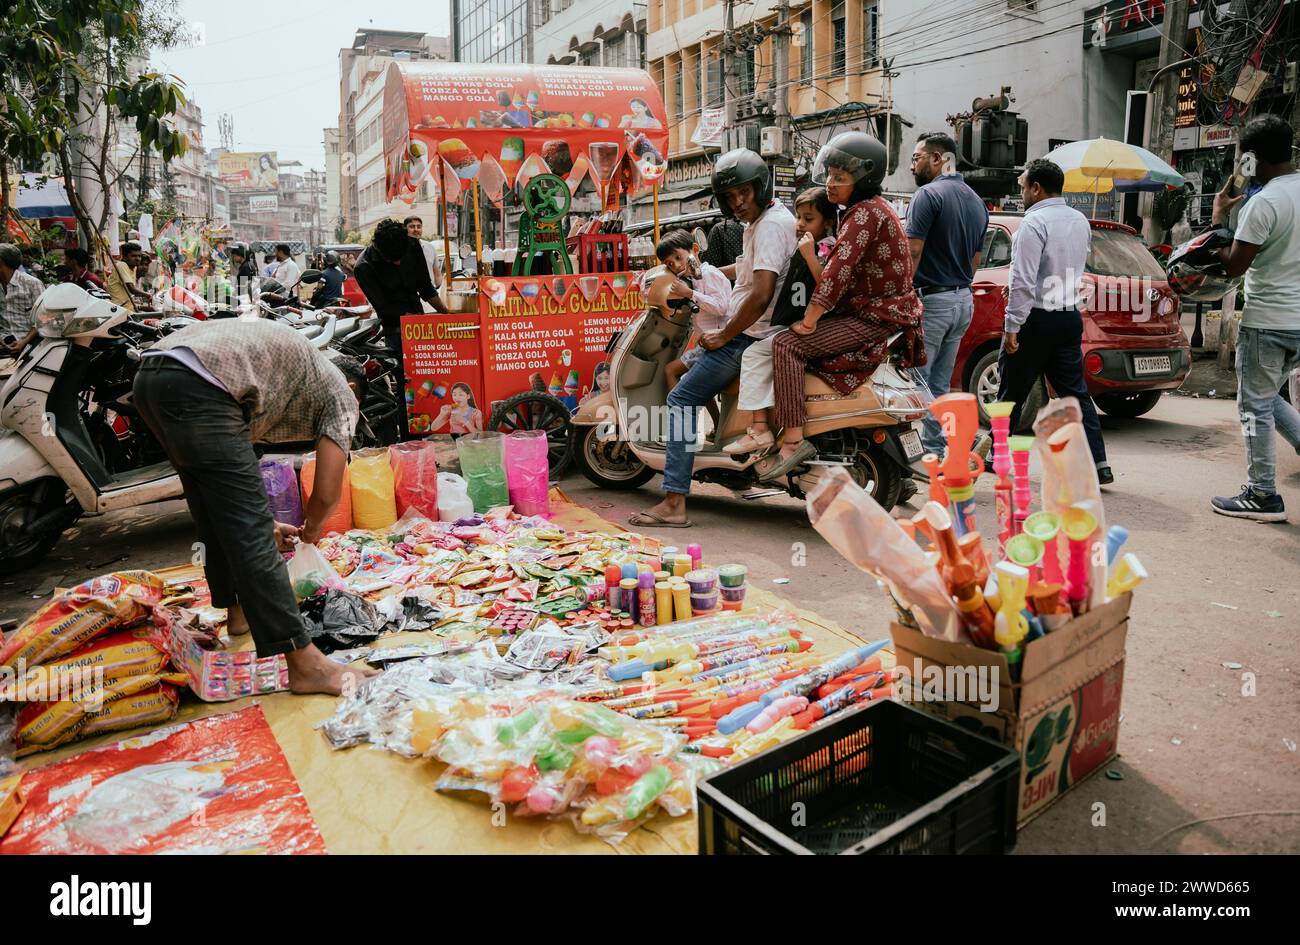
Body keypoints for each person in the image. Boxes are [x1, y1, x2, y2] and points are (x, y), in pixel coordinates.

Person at [132, 317, 373, 695]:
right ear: (354, 389)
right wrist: (310, 532)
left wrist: (265, 522)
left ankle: (238, 612)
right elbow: (327, 491)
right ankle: (306, 665)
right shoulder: (341, 395)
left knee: (211, 510)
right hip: (202, 384)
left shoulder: (294, 378)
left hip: (153, 376)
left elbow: (228, 493)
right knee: (252, 533)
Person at [629, 148, 796, 528]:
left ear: (759, 186)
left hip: (749, 334)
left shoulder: (768, 225)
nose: (738, 203)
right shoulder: (767, 218)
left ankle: (673, 502)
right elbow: (746, 271)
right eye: (730, 197)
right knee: (682, 371)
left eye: (744, 193)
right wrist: (698, 275)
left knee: (681, 398)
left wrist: (725, 335)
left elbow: (760, 293)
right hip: (754, 329)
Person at [760, 133, 925, 481]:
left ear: (864, 176)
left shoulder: (863, 214)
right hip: (885, 314)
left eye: (840, 177)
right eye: (831, 175)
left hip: (871, 318)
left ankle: (792, 439)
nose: (831, 184)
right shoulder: (875, 209)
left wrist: (809, 320)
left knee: (786, 345)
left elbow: (837, 273)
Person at [1208, 114, 1300, 522]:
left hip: (1269, 320)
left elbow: (1232, 267)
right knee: (1267, 397)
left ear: (1250, 159)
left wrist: (1217, 219)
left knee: (1254, 404)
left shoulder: (1263, 203)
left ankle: (1262, 494)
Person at [997, 158, 1112, 484]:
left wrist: (1011, 327)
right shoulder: (1079, 220)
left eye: (1023, 187)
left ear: (1036, 187)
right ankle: (1099, 463)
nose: (1021, 194)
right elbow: (1065, 268)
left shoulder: (1032, 225)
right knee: (1075, 395)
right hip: (1067, 318)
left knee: (1010, 393)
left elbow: (1022, 281)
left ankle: (998, 457)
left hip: (1035, 320)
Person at [727, 186, 838, 454]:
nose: (799, 225)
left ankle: (760, 429)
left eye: (808, 219)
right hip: (798, 322)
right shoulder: (806, 244)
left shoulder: (827, 247)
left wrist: (810, 255)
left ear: (829, 222)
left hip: (816, 327)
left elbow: (829, 287)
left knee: (754, 355)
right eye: (798, 217)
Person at [906, 132, 989, 458]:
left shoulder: (928, 195)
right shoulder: (976, 200)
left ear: (938, 158)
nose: (913, 165)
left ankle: (963, 441)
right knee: (939, 383)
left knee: (917, 382)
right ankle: (938, 450)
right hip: (962, 300)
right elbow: (975, 261)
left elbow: (913, 251)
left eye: (917, 157)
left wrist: (900, 295)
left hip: (934, 301)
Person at [353, 218, 448, 420]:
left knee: (434, 382)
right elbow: (385, 309)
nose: (398, 262)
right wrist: (412, 320)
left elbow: (425, 287)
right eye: (392, 259)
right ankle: (409, 439)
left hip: (420, 329)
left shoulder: (411, 245)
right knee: (408, 388)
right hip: (396, 332)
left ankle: (436, 424)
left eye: (400, 257)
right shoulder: (364, 267)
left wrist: (447, 314)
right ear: (380, 250)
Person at [657, 230, 733, 434]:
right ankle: (717, 425)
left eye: (678, 257)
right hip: (706, 344)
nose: (677, 265)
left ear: (695, 250)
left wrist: (689, 293)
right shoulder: (692, 280)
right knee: (683, 376)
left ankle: (682, 427)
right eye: (670, 263)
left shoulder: (709, 274)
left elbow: (721, 307)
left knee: (671, 371)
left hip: (719, 343)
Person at [1, 243, 46, 356]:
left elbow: (43, 319)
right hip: (4, 344)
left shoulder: (32, 284)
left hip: (30, 343)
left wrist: (24, 341)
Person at [105, 241, 153, 311]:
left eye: (139, 256)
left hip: (128, 309)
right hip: (119, 310)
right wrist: (148, 295)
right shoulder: (122, 265)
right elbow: (132, 289)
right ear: (124, 257)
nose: (137, 259)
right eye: (133, 256)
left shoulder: (133, 267)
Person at [405, 215, 444, 298]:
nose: (416, 229)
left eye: (419, 227)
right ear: (405, 229)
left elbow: (437, 274)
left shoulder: (430, 247)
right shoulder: (401, 248)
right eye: (412, 227)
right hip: (409, 297)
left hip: (430, 297)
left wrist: (439, 291)